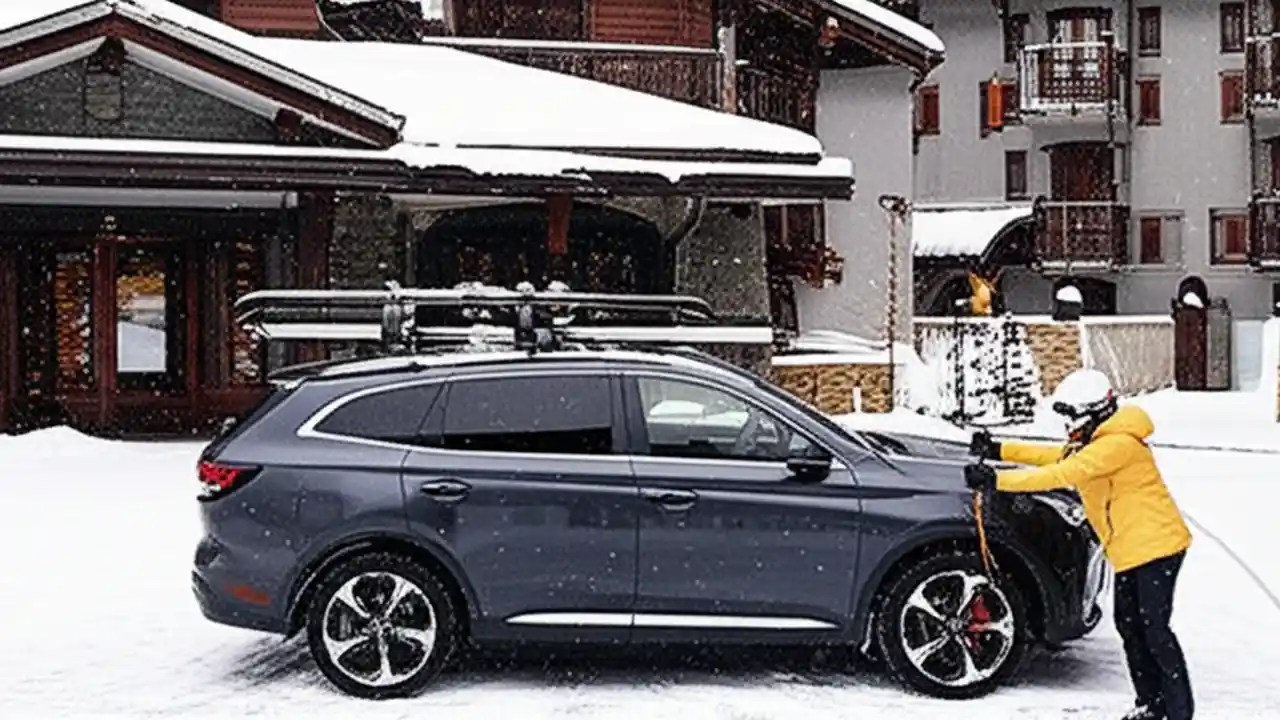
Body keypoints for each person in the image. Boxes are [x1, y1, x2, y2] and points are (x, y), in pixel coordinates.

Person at [964, 369, 1194, 720]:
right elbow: (1055, 457)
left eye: (1073, 417)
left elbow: (1062, 474)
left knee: (1155, 630)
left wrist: (997, 479)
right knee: (1130, 626)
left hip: (1157, 548)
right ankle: (1150, 703)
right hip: (1131, 550)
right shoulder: (1095, 440)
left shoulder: (1117, 445)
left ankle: (1179, 712)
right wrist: (999, 448)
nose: (1068, 426)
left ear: (1093, 413)